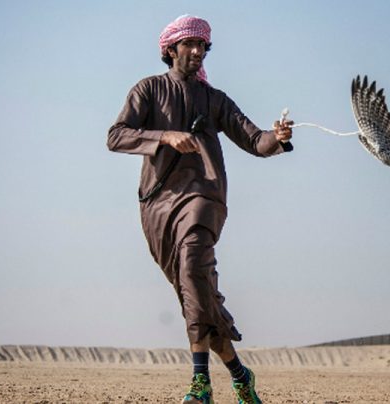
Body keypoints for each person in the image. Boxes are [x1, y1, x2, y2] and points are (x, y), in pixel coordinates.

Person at [107, 14, 293, 404]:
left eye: (202, 46)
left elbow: (254, 140)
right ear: (170, 49)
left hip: (204, 198)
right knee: (195, 291)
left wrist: (275, 137)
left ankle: (200, 384)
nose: (196, 51)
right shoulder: (148, 89)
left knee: (192, 269)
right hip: (157, 205)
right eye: (189, 45)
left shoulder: (214, 99)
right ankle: (240, 375)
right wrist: (165, 136)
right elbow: (117, 136)